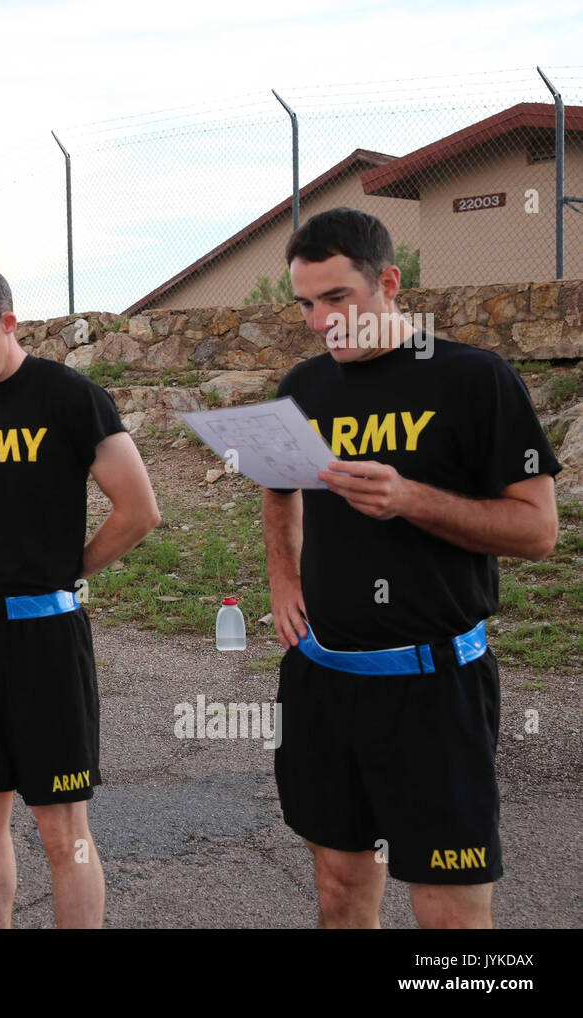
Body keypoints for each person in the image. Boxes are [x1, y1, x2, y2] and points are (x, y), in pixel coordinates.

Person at [263, 207, 561, 929]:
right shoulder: (303, 388)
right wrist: (283, 576)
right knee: (337, 885)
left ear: (389, 282)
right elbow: (277, 488)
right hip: (325, 681)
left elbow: (538, 531)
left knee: (450, 916)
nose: (321, 320)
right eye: (306, 303)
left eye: (338, 298)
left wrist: (411, 499)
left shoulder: (474, 379)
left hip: (434, 686)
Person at [0, 260, 160, 928]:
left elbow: (138, 511)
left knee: (60, 826)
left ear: (7, 324)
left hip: (45, 637)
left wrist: (71, 573)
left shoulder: (70, 397)